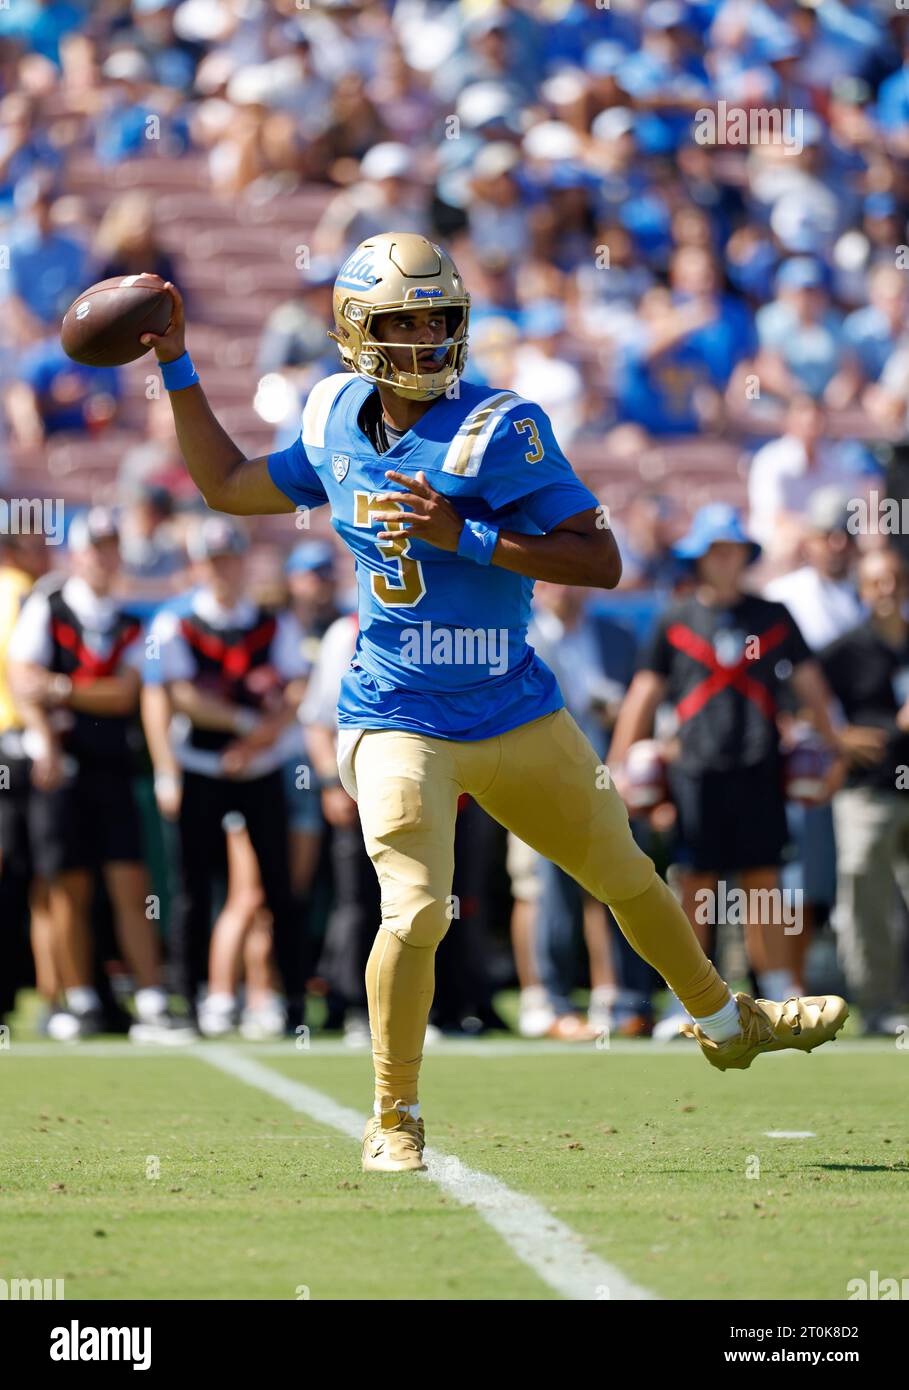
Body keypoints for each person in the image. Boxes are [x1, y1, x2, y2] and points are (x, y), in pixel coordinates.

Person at [139, 233, 849, 1175]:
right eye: (405, 321)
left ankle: (727, 1019)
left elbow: (599, 560)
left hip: (512, 704)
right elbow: (227, 488)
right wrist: (176, 360)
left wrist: (467, 536)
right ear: (357, 331)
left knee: (627, 874)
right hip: (394, 711)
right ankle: (393, 1114)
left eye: (440, 318)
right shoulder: (332, 415)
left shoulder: (501, 426)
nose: (428, 338)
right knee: (417, 910)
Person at [610, 504, 846, 1029]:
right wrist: (617, 766)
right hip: (693, 771)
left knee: (764, 884)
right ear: (699, 558)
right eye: (715, 551)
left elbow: (811, 688)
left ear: (745, 556)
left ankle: (782, 997)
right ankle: (687, 1003)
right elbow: (643, 696)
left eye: (732, 550)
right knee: (695, 887)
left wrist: (835, 751)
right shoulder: (675, 618)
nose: (724, 560)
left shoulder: (773, 616)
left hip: (760, 766)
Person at [7, 507, 190, 1043]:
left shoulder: (133, 620)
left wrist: (61, 689)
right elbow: (22, 679)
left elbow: (123, 693)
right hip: (60, 766)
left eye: (110, 547)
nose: (102, 556)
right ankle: (79, 997)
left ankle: (152, 997)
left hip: (111, 764)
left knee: (129, 882)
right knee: (68, 885)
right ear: (77, 553)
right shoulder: (49, 602)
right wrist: (44, 729)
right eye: (94, 547)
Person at [145, 516, 310, 1032]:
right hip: (200, 766)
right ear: (197, 565)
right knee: (193, 889)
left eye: (229, 558)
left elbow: (297, 688)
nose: (222, 569)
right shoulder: (176, 621)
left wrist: (258, 740)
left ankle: (293, 1001)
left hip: (259, 767)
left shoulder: (272, 621)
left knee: (279, 888)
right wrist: (243, 727)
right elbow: (179, 696)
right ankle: (188, 1001)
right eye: (212, 560)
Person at [818, 549, 909, 1035]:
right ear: (862, 591)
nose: (887, 591)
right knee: (864, 893)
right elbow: (798, 701)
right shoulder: (844, 649)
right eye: (877, 583)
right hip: (867, 791)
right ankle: (875, 1007)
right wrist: (840, 738)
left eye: (894, 580)